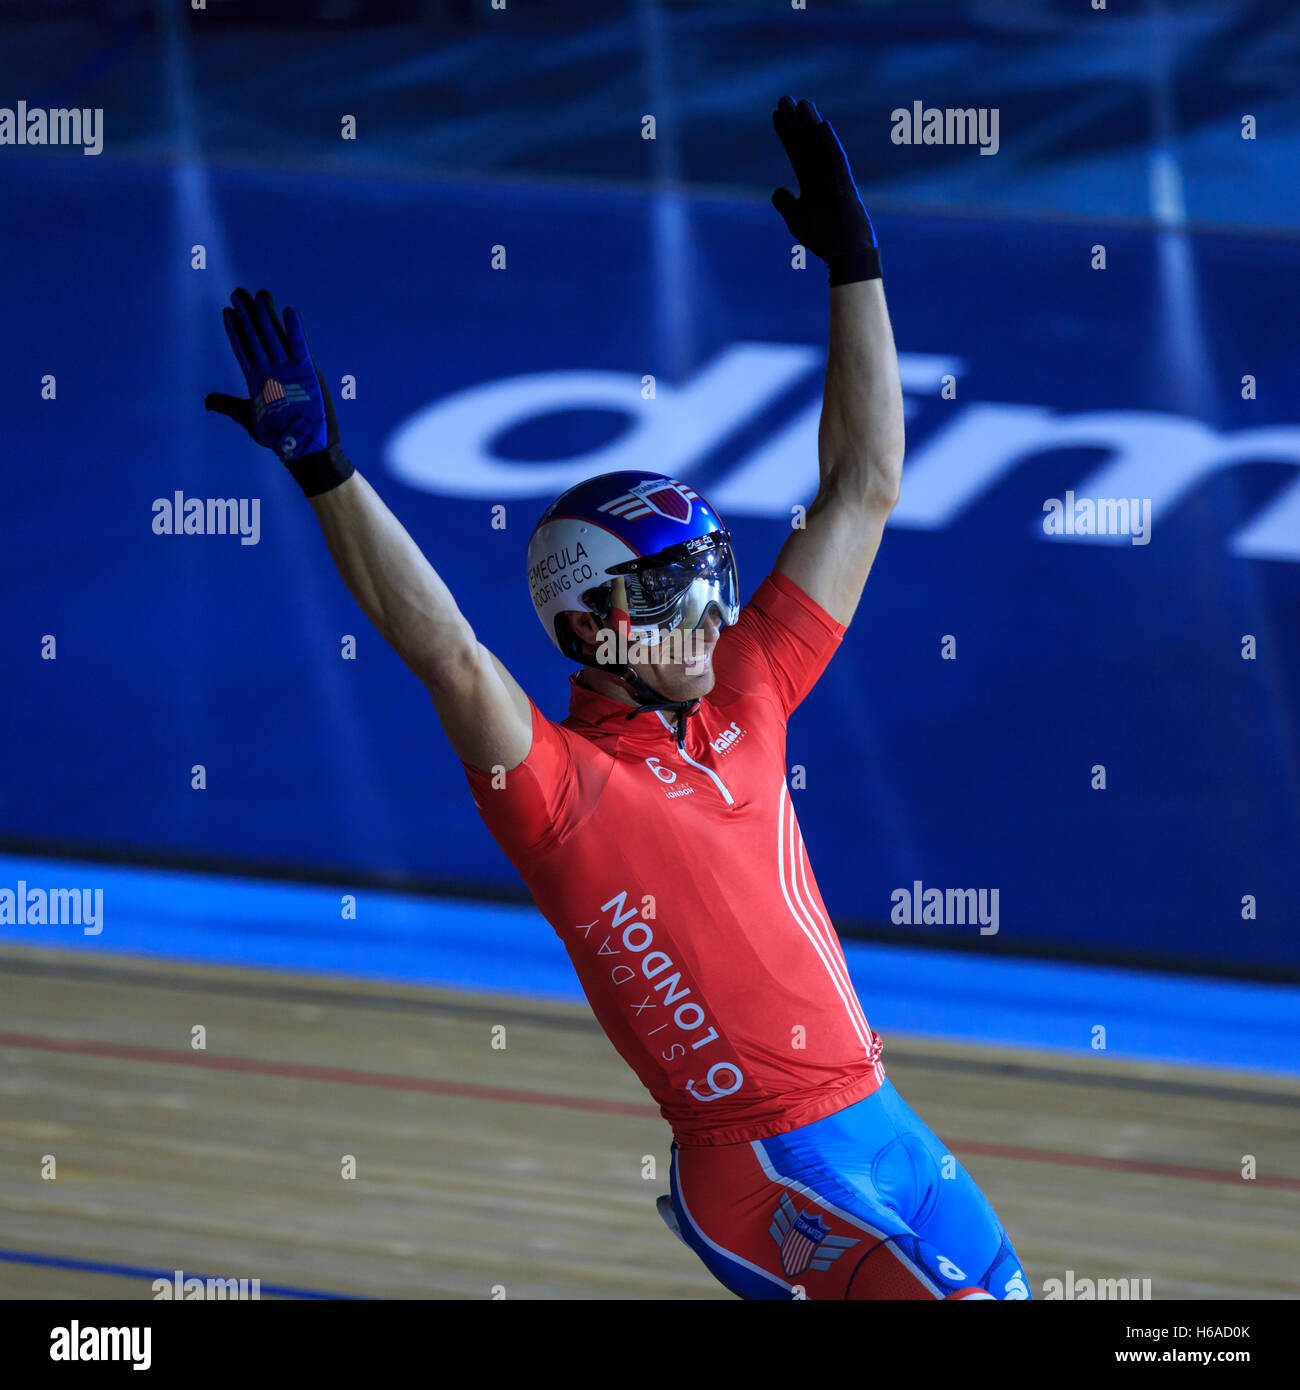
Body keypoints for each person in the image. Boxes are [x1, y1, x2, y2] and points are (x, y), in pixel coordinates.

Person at [206, 95, 1029, 1301]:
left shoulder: (750, 693)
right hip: (760, 1163)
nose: (714, 615)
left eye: (715, 582)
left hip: (883, 1117)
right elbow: (442, 649)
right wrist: (325, 469)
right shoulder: (555, 790)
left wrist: (855, 266)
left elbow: (862, 486)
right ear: (593, 625)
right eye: (678, 594)